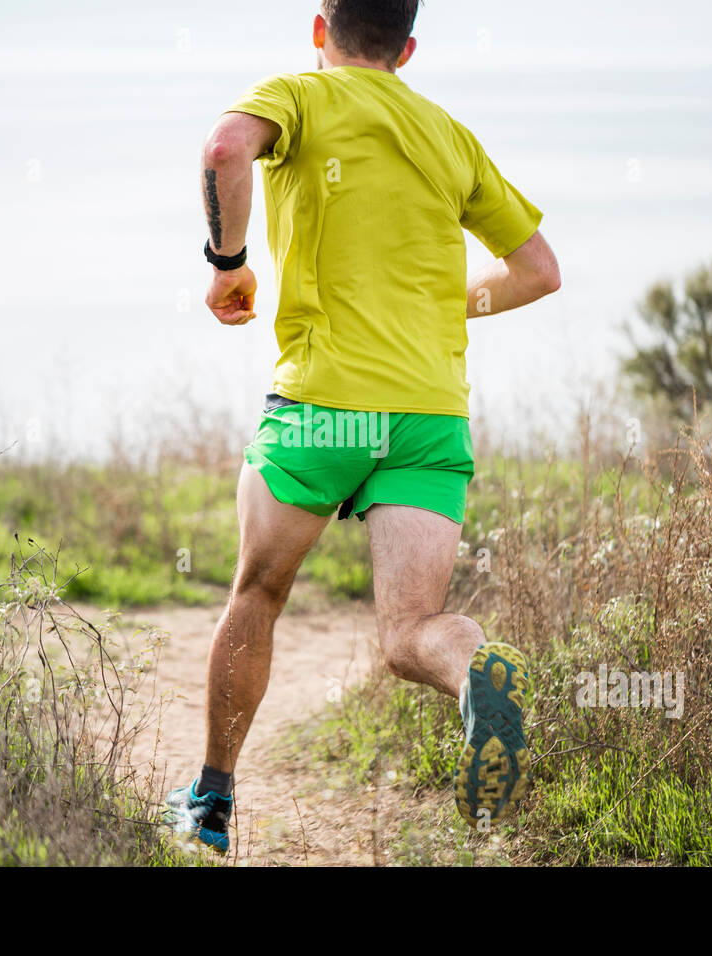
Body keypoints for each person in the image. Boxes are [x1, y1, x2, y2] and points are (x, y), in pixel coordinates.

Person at [164, 0, 561, 852]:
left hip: (323, 409)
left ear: (320, 31)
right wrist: (434, 305)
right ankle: (475, 677)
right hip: (429, 414)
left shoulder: (302, 96)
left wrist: (227, 267)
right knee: (412, 630)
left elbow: (225, 147)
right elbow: (538, 271)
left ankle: (211, 803)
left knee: (259, 595)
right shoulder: (450, 135)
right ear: (408, 48)